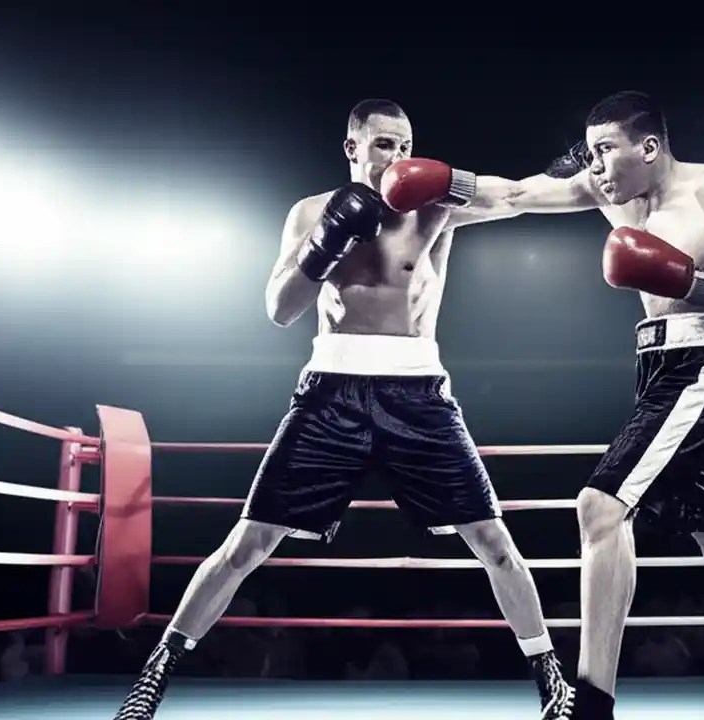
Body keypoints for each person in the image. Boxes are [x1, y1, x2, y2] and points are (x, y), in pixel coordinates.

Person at [110, 98, 575, 720]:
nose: (397, 156)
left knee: (492, 539)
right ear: (352, 147)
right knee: (248, 542)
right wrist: (326, 242)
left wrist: (583, 174)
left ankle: (552, 683)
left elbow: (517, 196)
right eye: (384, 143)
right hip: (332, 391)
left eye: (405, 145)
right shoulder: (310, 212)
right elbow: (280, 309)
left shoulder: (435, 205)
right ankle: (153, 677)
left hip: (417, 390)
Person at [380, 90, 704, 719]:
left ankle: (593, 701)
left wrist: (686, 279)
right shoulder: (607, 191)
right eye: (588, 153)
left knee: (598, 508)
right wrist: (446, 182)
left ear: (648, 147)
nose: (594, 166)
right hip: (657, 365)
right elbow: (518, 194)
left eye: (604, 151)